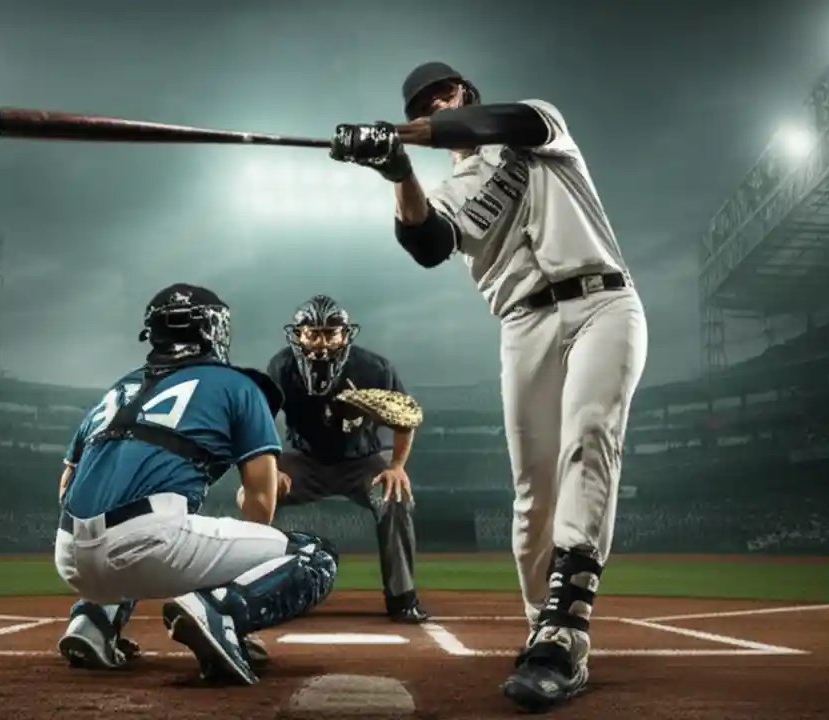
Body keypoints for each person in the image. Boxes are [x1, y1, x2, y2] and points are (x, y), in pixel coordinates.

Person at [328, 62, 648, 712]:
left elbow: (505, 121)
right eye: (427, 102)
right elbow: (426, 240)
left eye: (444, 95)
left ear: (465, 94)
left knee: (588, 440)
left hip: (601, 302)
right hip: (522, 323)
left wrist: (404, 130)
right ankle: (544, 627)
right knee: (534, 494)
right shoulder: (450, 187)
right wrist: (396, 170)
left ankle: (565, 632)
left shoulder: (535, 122)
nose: (441, 104)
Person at [53, 283, 339, 686]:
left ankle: (93, 621)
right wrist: (238, 579)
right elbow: (260, 494)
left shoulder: (115, 391)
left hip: (69, 554)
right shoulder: (239, 385)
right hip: (148, 542)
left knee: (141, 520)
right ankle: (222, 614)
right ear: (212, 330)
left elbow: (67, 484)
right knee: (315, 555)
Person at [235, 294, 429, 623]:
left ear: (345, 334)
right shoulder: (281, 366)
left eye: (330, 333)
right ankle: (247, 590)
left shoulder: (374, 368)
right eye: (313, 333)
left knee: (395, 496)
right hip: (303, 460)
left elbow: (406, 418)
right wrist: (270, 470)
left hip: (361, 461)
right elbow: (261, 424)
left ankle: (402, 597)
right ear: (298, 334)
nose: (322, 343)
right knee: (249, 494)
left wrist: (396, 467)